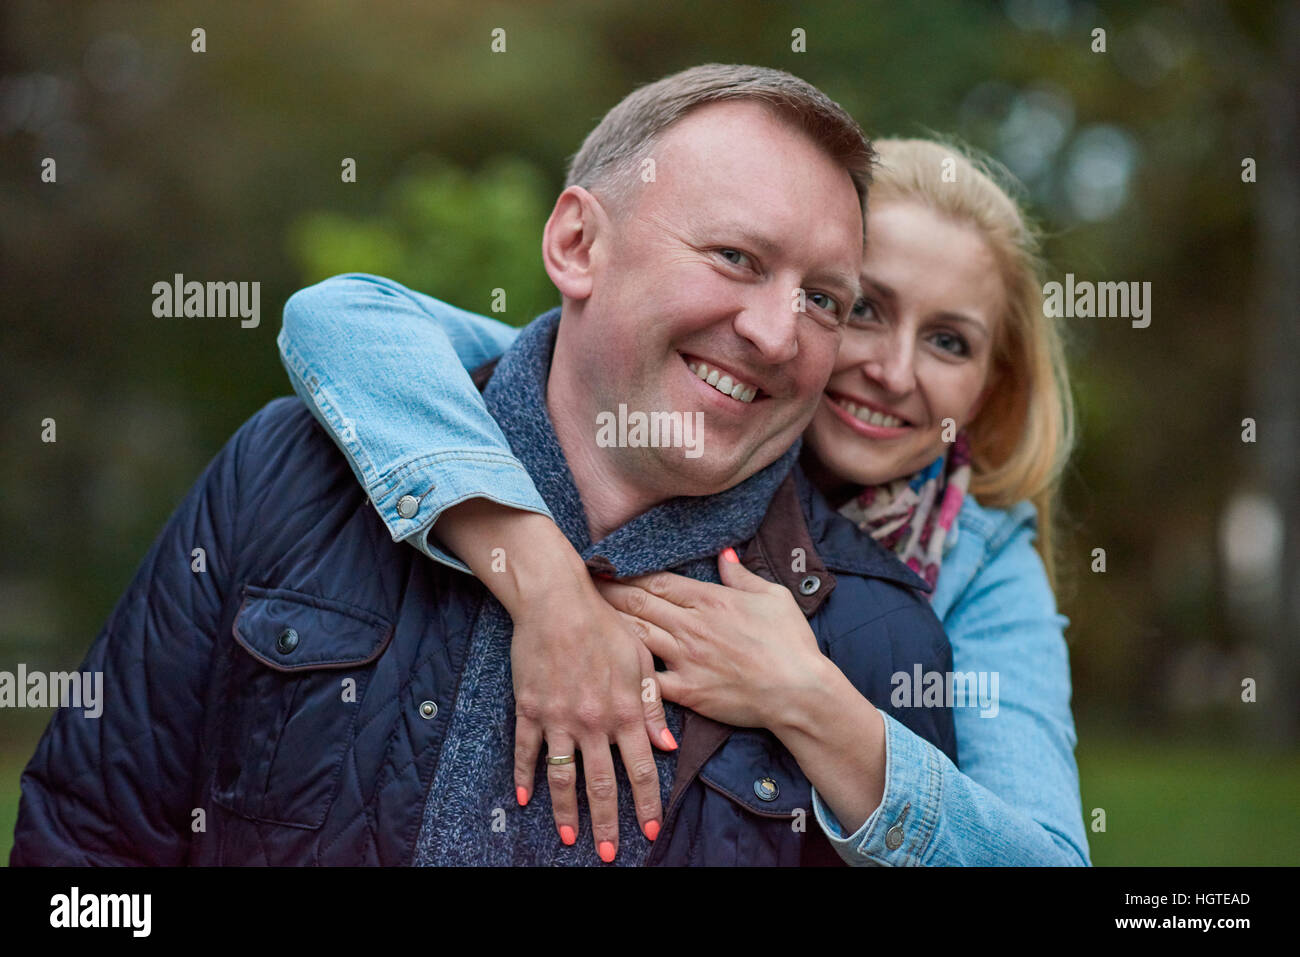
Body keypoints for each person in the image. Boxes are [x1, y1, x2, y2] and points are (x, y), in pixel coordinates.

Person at [12, 64, 959, 866]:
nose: (776, 334)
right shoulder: (291, 472)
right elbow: (83, 847)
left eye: (824, 300)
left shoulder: (871, 640)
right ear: (578, 244)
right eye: (736, 257)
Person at [276, 137, 1090, 865]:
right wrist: (548, 584)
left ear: (991, 386)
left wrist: (807, 696)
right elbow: (343, 318)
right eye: (863, 310)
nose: (894, 370)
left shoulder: (980, 562)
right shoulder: (660, 399)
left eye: (949, 341)